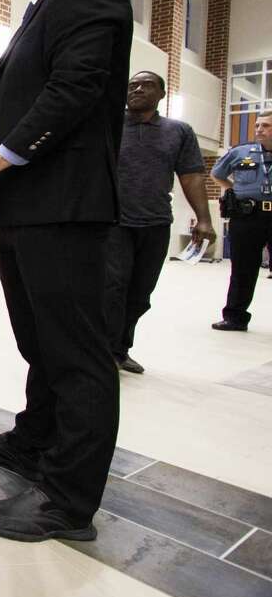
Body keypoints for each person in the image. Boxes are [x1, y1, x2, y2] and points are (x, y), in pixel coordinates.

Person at [0, 0, 132, 543]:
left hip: (64, 204)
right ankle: (34, 442)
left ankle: (67, 502)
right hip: (31, 207)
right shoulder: (40, 10)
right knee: (40, 341)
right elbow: (34, 87)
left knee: (77, 354)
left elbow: (75, 87)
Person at [105, 72, 214, 374]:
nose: (138, 89)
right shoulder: (109, 124)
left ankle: (120, 349)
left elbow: (191, 175)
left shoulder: (178, 131)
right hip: (113, 221)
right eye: (132, 85)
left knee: (140, 294)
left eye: (147, 85)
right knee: (112, 288)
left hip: (155, 223)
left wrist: (204, 219)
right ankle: (103, 353)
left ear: (162, 94)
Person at [210, 110, 272, 332]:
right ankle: (235, 318)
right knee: (243, 269)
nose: (259, 130)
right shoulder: (241, 152)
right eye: (257, 125)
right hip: (247, 217)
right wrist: (232, 190)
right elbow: (217, 173)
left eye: (265, 126)